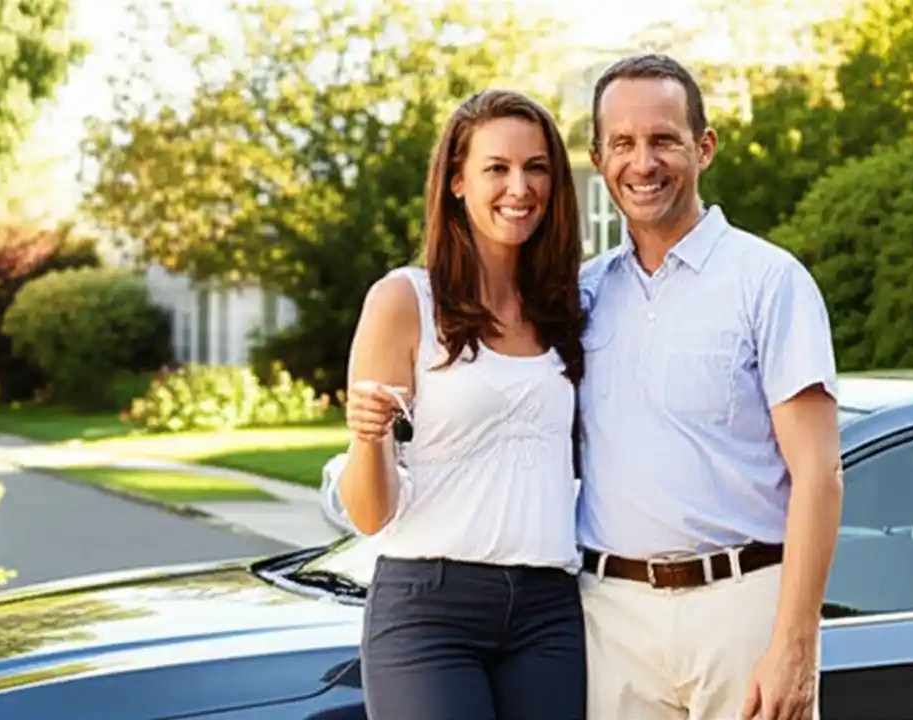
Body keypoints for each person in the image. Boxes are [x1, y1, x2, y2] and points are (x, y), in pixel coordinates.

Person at [575, 53, 843, 720]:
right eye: (623, 144)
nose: (643, 163)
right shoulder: (579, 293)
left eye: (664, 139)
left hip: (743, 608)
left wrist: (795, 644)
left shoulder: (769, 281)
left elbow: (819, 472)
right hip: (610, 619)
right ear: (598, 156)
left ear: (704, 147)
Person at [337, 88, 587, 719]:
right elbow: (370, 516)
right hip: (430, 608)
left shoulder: (567, 310)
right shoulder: (404, 301)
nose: (519, 187)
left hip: (549, 611)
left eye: (536, 168)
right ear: (456, 181)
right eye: (496, 169)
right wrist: (367, 438)